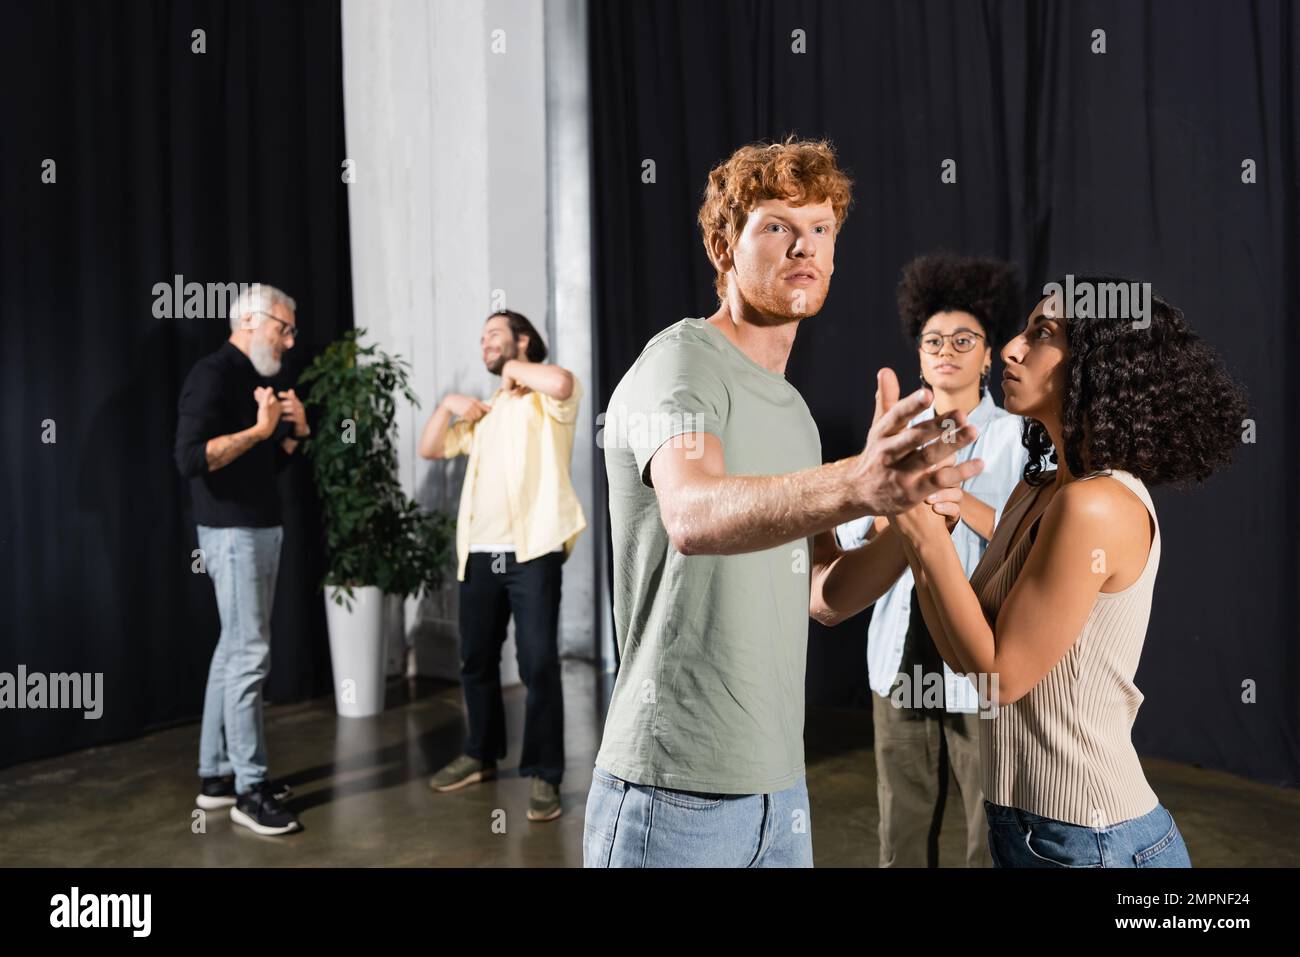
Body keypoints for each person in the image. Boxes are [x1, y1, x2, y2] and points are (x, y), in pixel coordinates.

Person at [583, 137, 987, 868]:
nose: (804, 245)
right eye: (776, 225)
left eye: (821, 229)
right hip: (671, 792)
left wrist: (911, 521)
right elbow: (692, 514)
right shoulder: (680, 361)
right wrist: (856, 482)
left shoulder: (795, 413)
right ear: (721, 245)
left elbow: (826, 595)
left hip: (779, 792)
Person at [889, 279, 1247, 867]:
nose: (1010, 347)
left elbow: (1001, 678)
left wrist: (925, 541)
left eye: (1042, 334)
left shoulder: (1096, 505)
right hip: (1023, 826)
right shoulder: (1038, 489)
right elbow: (970, 654)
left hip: (1092, 839)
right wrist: (926, 540)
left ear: (1098, 368)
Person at [834, 252, 1027, 867]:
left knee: (986, 837)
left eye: (963, 339)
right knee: (902, 833)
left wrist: (959, 500)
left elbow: (1030, 541)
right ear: (919, 356)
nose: (947, 350)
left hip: (978, 661)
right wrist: (890, 494)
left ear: (989, 353)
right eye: (933, 340)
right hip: (901, 657)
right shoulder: (895, 439)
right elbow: (848, 539)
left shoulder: (1017, 435)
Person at [418, 310, 586, 822]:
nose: (485, 343)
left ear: (523, 340)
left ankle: (545, 775)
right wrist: (449, 403)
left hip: (532, 552)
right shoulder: (486, 412)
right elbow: (429, 447)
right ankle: (480, 754)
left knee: (537, 664)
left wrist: (516, 372)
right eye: (482, 337)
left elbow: (560, 380)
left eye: (494, 334)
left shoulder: (548, 401)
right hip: (481, 554)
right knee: (475, 660)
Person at [173, 283, 308, 836]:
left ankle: (215, 777)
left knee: (234, 650)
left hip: (258, 528)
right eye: (284, 327)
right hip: (232, 534)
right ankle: (250, 791)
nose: (290, 340)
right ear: (251, 320)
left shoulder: (259, 379)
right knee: (250, 654)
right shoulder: (212, 374)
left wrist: (294, 432)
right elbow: (189, 459)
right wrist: (258, 429)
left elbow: (262, 468)